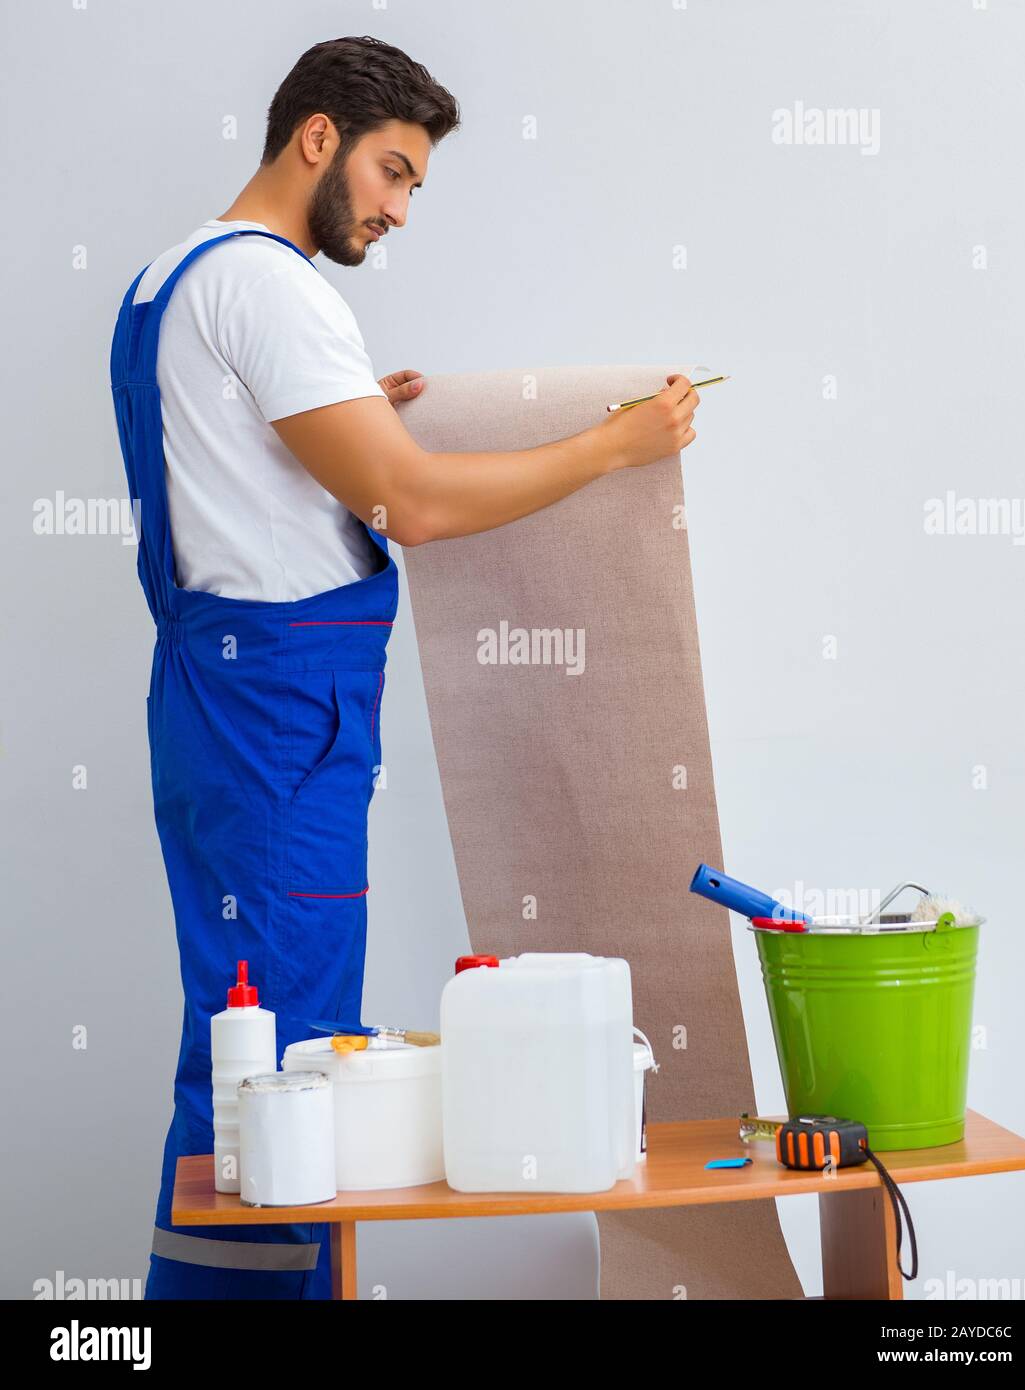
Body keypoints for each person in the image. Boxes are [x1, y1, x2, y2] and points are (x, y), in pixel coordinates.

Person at [109, 33, 701, 1300]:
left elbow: (228, 473)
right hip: (280, 725)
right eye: (393, 171)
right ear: (315, 135)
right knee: (284, 1062)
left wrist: (343, 407)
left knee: (242, 1039)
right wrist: (611, 446)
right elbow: (414, 506)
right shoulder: (273, 288)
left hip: (220, 707)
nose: (397, 208)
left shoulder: (171, 278)